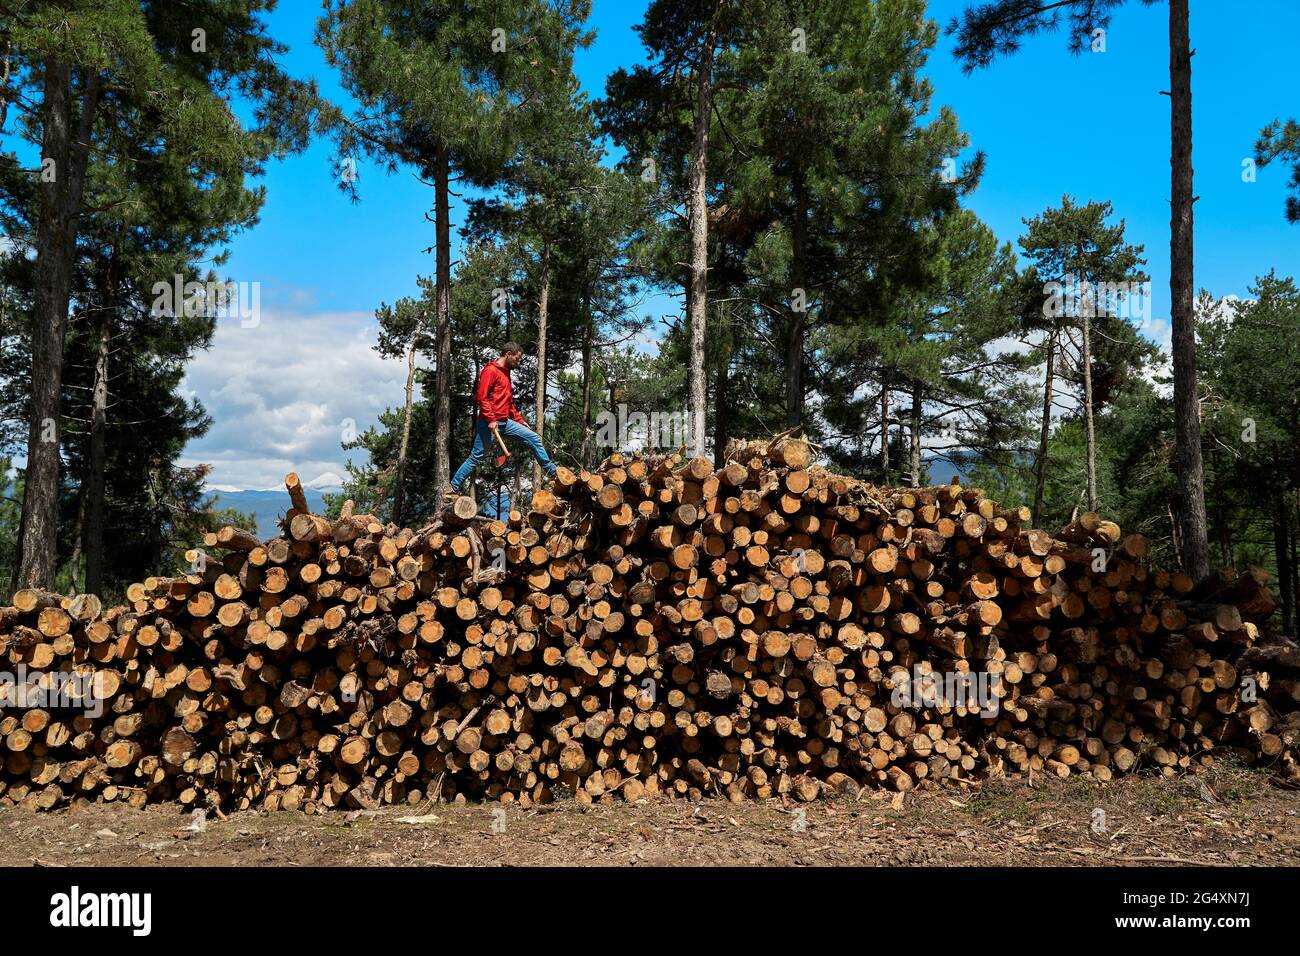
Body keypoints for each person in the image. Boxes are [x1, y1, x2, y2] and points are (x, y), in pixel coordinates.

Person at [449, 342, 557, 496]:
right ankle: (452, 488)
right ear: (508, 354)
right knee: (475, 457)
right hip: (488, 424)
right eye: (517, 359)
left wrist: (519, 420)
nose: (517, 362)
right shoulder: (490, 371)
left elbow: (508, 403)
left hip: (505, 423)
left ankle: (554, 473)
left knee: (533, 438)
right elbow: (482, 397)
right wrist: (491, 419)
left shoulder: (506, 373)